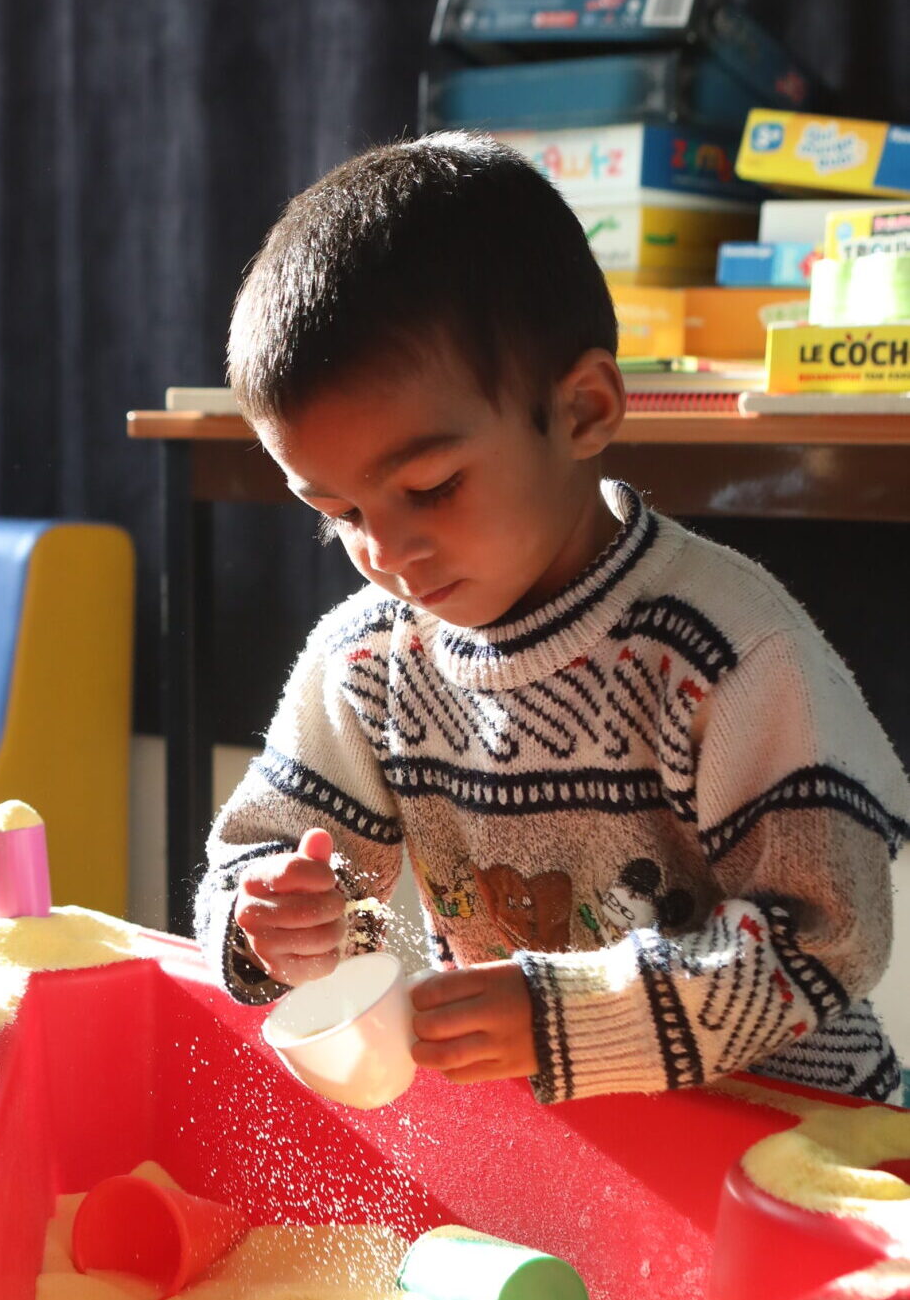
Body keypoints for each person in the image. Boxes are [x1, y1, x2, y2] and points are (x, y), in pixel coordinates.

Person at [195, 132, 907, 1103]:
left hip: (790, 1137)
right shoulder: (366, 662)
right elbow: (263, 855)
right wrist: (268, 916)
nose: (388, 552)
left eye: (432, 487)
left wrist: (574, 1014)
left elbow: (832, 934)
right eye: (342, 515)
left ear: (583, 412)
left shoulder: (724, 653)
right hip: (570, 1140)